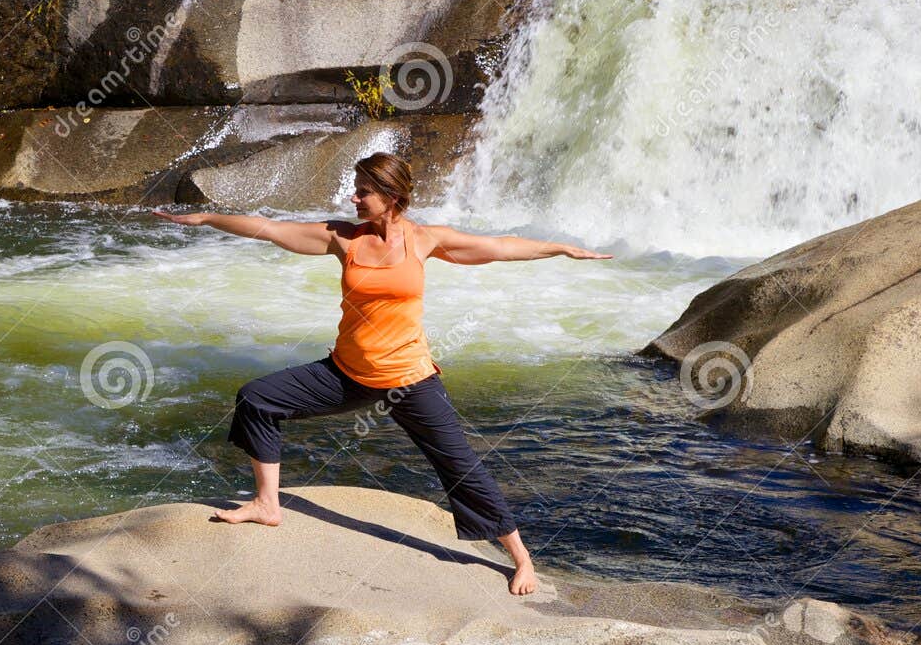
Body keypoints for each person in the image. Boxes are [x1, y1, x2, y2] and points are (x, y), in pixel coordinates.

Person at [153, 151, 611, 595]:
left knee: (459, 465)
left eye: (363, 192)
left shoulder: (426, 239)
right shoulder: (345, 238)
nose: (354, 199)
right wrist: (207, 220)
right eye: (355, 191)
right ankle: (267, 503)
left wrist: (560, 249)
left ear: (391, 196)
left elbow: (498, 248)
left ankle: (521, 557)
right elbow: (270, 229)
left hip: (408, 379)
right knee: (256, 398)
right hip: (348, 372)